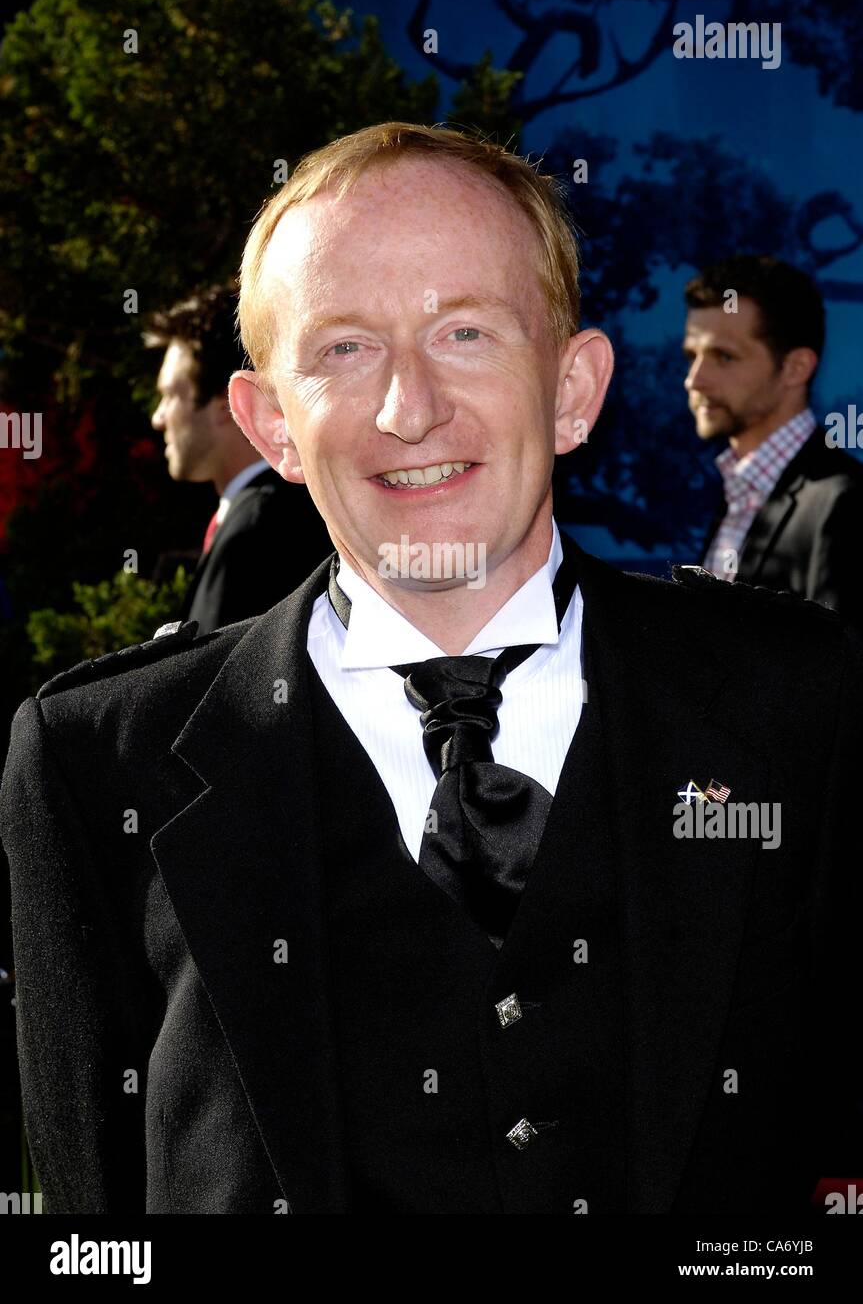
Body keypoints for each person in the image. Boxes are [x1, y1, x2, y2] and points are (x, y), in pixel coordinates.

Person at [1, 124, 860, 1215]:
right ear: (271, 426)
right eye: (344, 349)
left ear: (572, 388)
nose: (411, 409)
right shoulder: (94, 768)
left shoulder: (794, 707)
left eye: (463, 332)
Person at [683, 255, 863, 625]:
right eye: (693, 356)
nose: (695, 380)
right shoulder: (738, 489)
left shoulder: (844, 502)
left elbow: (842, 675)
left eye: (724, 356)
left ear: (795, 368)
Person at [147, 285, 330, 632]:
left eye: (171, 395)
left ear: (224, 402)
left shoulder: (261, 528)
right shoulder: (281, 511)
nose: (158, 417)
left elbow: (224, 682)